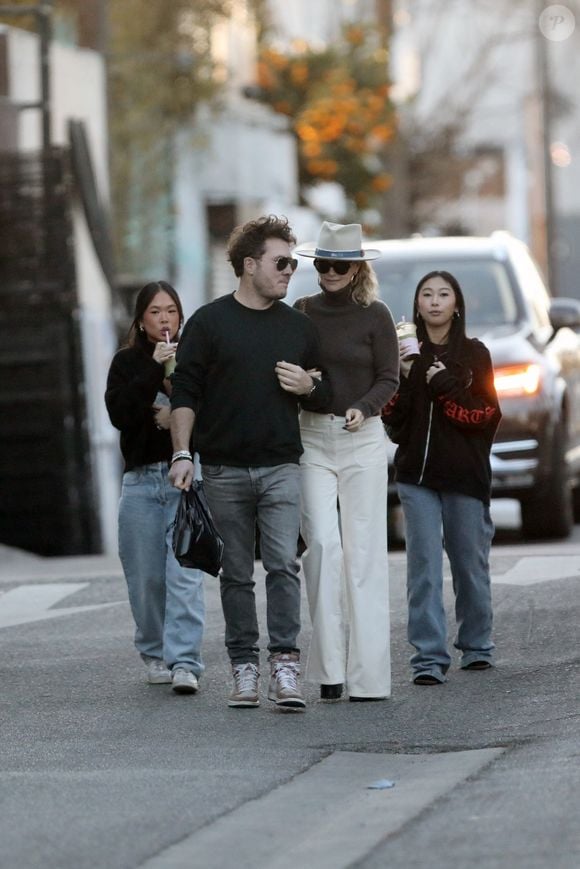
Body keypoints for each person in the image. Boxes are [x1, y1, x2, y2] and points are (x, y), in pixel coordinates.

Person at [168, 215, 331, 710]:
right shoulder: (209, 323)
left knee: (283, 565)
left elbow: (326, 389)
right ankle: (243, 667)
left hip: (282, 465)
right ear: (248, 265)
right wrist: (181, 453)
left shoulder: (300, 327)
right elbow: (185, 391)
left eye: (293, 263)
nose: (289, 271)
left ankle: (284, 666)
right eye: (281, 262)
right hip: (221, 469)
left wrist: (311, 386)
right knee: (236, 572)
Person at [294, 221, 399, 702]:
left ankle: (369, 679)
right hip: (312, 437)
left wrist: (364, 407)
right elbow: (292, 374)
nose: (330, 271)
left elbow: (389, 377)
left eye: (340, 264)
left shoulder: (376, 316)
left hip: (362, 438)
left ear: (357, 267)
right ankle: (330, 671)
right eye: (323, 263)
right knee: (320, 546)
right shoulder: (300, 312)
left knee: (364, 556)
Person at [382, 270, 501, 685]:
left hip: (465, 476)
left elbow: (486, 416)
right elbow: (393, 422)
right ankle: (428, 658)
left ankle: (477, 646)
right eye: (427, 295)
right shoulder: (404, 354)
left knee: (469, 563)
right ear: (417, 306)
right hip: (416, 476)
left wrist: (445, 384)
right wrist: (404, 374)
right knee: (423, 568)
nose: (434, 301)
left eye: (443, 294)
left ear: (456, 304)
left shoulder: (475, 354)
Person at [105, 281, 205, 694]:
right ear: (141, 320)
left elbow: (212, 410)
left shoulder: (194, 358)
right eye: (155, 312)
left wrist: (174, 415)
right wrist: (152, 370)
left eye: (171, 311)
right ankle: (153, 651)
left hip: (184, 477)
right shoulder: (127, 362)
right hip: (141, 481)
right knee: (145, 578)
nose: (164, 319)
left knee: (184, 573)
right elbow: (120, 414)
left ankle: (185, 661)